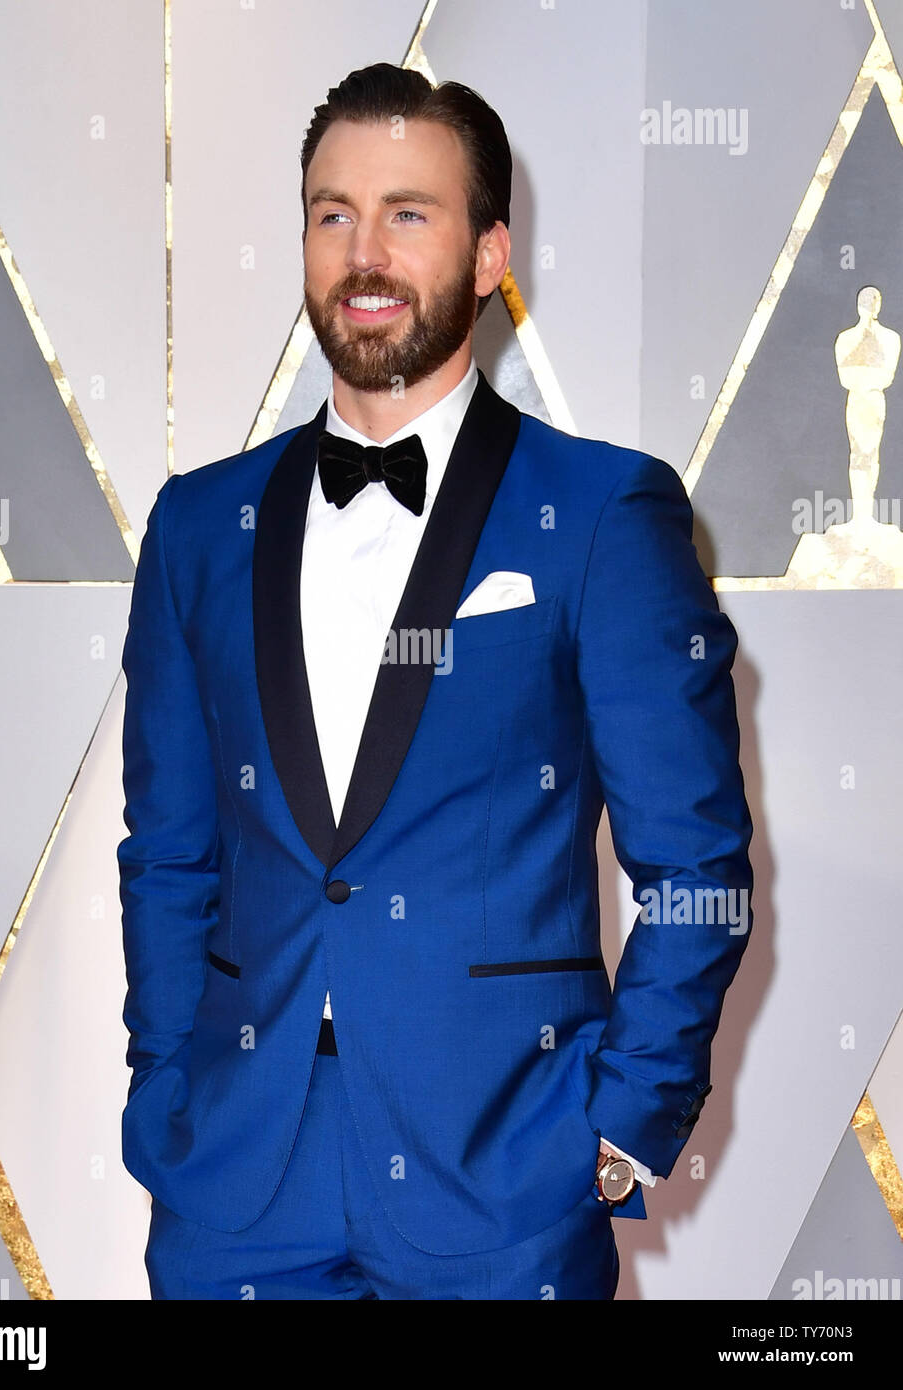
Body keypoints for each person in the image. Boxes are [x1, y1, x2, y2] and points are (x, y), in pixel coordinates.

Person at [117, 62, 754, 1300]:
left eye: (409, 213)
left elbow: (696, 863)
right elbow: (171, 850)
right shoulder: (198, 528)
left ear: (489, 253)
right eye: (332, 212)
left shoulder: (601, 514)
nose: (365, 252)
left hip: (505, 1191)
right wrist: (165, 1088)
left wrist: (619, 1128)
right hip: (236, 1198)